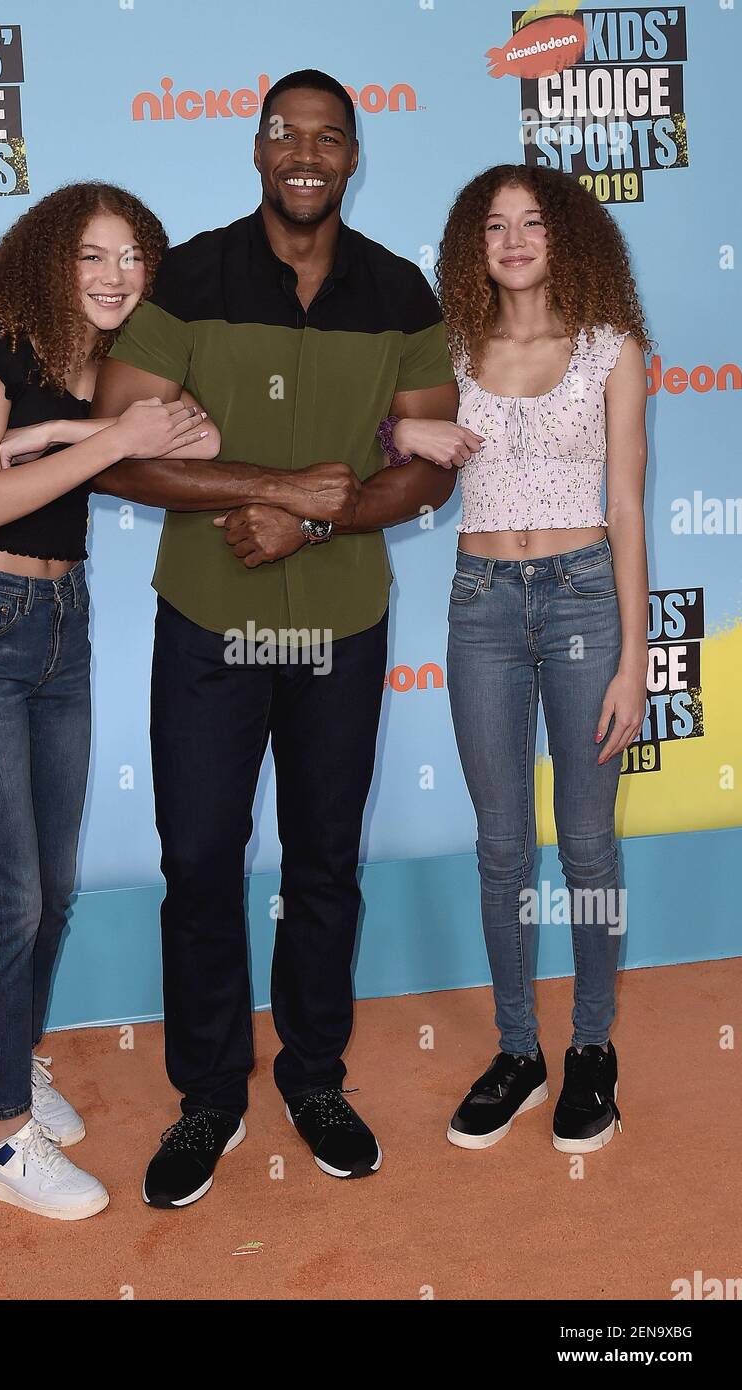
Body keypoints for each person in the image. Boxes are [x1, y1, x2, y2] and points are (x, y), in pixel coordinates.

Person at [88, 69, 481, 1209]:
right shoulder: (195, 277)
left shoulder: (401, 290)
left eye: (327, 140)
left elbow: (424, 468)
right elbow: (116, 451)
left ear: (353, 157)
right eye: (286, 136)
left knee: (322, 866)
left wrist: (317, 514)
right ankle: (208, 1093)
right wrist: (267, 484)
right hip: (209, 627)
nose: (305, 156)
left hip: (341, 631)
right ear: (257, 150)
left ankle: (313, 1078)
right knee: (200, 864)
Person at [0, 182, 217, 1221]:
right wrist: (106, 439)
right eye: (93, 255)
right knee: (10, 895)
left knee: (51, 880)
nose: (114, 275)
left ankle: (16, 1055)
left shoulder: (108, 364)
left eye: (133, 256)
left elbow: (197, 445)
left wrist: (109, 430)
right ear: (52, 259)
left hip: (65, 627)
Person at [397, 164, 650, 1153]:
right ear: (473, 243)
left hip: (586, 596)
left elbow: (625, 505)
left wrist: (633, 658)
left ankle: (590, 1049)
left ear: (565, 237)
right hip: (481, 606)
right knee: (501, 844)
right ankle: (518, 1050)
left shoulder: (609, 350)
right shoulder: (449, 349)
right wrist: (396, 423)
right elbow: (393, 446)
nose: (511, 239)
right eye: (493, 225)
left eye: (531, 223)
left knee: (586, 843)